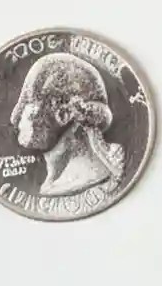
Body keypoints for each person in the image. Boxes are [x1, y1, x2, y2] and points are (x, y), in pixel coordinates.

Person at [10, 53, 125, 197]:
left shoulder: (85, 181)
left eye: (29, 103)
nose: (14, 119)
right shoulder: (58, 183)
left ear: (64, 114)